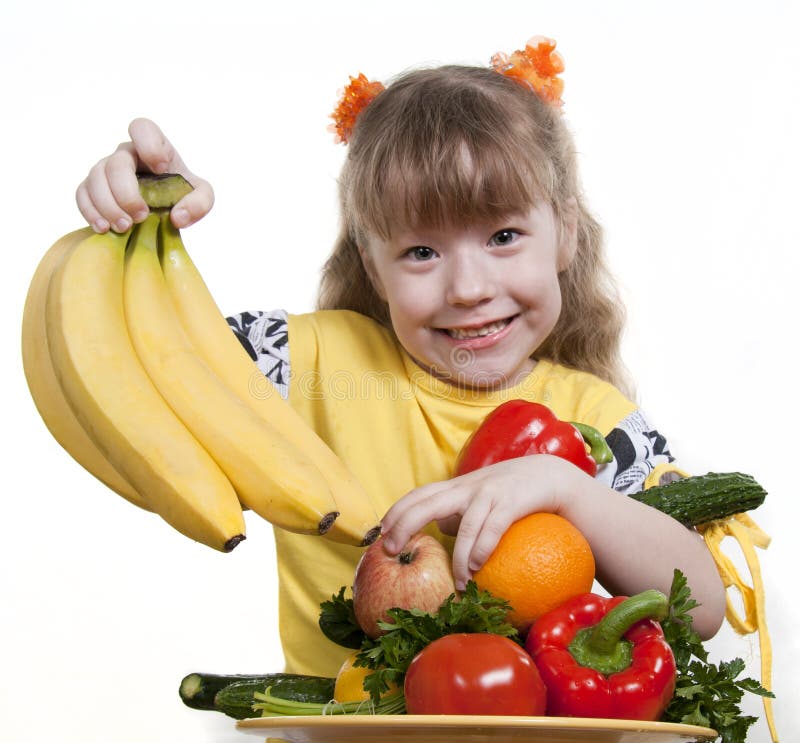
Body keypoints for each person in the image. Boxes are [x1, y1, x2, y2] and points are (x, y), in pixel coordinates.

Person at [74, 38, 726, 677]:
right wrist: (143, 219)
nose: (469, 287)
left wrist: (569, 491)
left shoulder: (594, 418)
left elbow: (701, 602)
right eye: (421, 252)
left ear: (565, 234)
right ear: (372, 264)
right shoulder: (304, 365)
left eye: (504, 235)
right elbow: (128, 367)